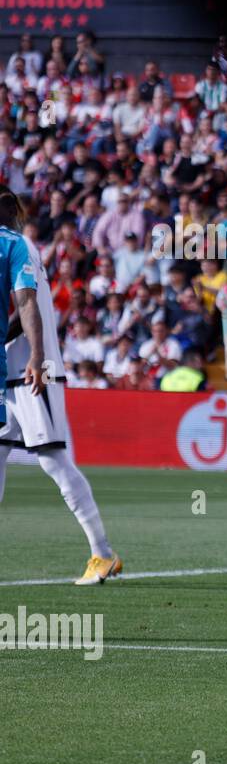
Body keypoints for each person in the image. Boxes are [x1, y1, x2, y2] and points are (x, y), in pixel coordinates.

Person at [0, 191, 121, 584]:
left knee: (52, 460)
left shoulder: (17, 245)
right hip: (7, 374)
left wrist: (37, 358)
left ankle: (103, 554)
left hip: (34, 371)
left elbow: (26, 305)